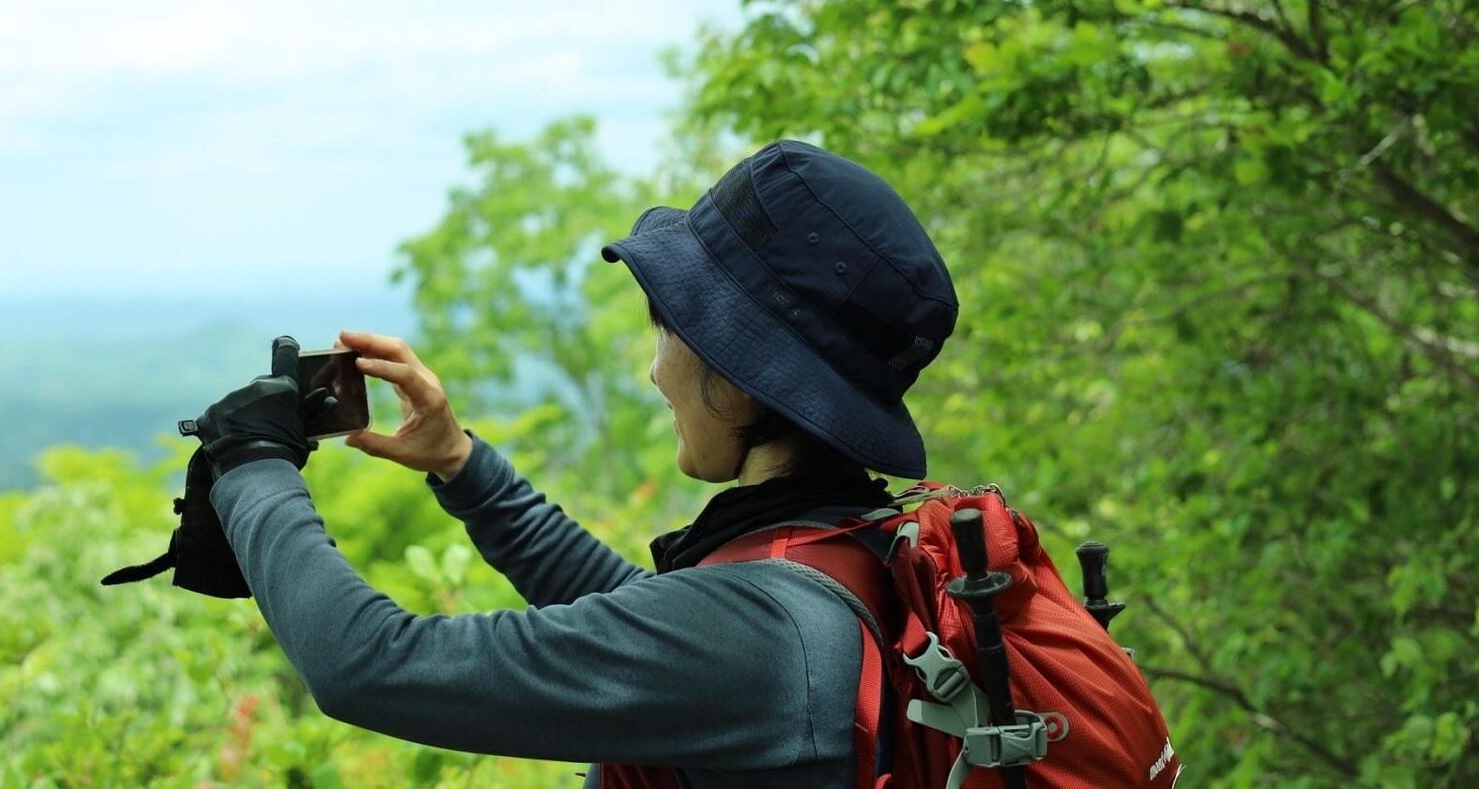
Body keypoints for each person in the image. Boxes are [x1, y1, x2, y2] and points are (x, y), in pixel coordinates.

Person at [195, 140, 959, 786]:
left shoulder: (764, 636)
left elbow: (367, 664)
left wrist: (253, 464)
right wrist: (460, 463)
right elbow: (640, 617)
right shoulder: (849, 546)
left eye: (671, 334)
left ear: (740, 376)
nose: (656, 372)